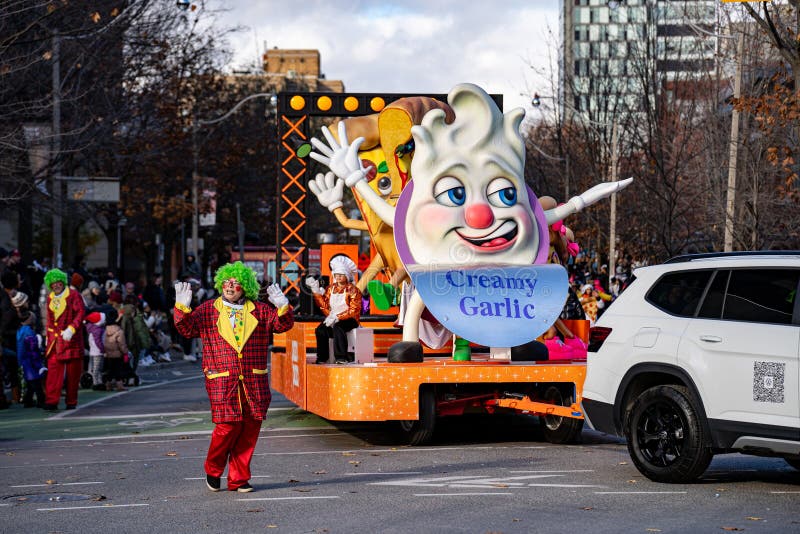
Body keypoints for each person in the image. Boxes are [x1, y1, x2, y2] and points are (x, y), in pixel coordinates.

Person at [173, 261, 294, 493]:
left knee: (249, 429)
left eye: (236, 283)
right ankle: (213, 467)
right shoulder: (209, 309)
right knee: (226, 427)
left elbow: (282, 325)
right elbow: (186, 330)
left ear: (245, 286)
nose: (230, 286)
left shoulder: (259, 310)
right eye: (227, 282)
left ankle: (238, 479)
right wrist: (181, 308)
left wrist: (283, 307)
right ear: (221, 284)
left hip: (253, 381)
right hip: (222, 380)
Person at [42, 268, 86, 411]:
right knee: (53, 372)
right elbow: (49, 319)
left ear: (63, 281)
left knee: (73, 373)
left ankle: (71, 401)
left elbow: (80, 313)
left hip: (71, 340)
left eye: (58, 282)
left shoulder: (73, 295)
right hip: (55, 341)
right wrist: (47, 337)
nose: (56, 285)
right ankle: (51, 401)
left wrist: (71, 329)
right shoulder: (50, 298)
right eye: (53, 283)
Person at [306, 255, 362, 364]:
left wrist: (339, 317)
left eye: (341, 274)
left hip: (350, 319)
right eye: (336, 274)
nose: (338, 277)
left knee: (338, 327)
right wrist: (316, 292)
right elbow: (325, 307)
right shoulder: (330, 289)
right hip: (333, 318)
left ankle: (341, 357)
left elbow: (354, 310)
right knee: (320, 330)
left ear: (347, 276)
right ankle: (322, 358)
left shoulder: (353, 290)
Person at [15, 301, 46, 408]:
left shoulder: (20, 331)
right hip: (30, 360)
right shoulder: (29, 332)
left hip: (23, 360)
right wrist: (38, 362)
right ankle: (41, 400)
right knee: (35, 381)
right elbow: (32, 349)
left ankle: (28, 400)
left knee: (30, 382)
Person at [1, 269, 21, 404]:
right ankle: (15, 396)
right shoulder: (7, 302)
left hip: (7, 338)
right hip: (8, 340)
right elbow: (4, 325)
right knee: (13, 368)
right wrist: (18, 331)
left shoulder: (6, 297)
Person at [102, 307, 129, 391]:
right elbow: (122, 344)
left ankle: (108, 384)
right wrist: (125, 352)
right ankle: (119, 385)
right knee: (118, 370)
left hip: (107, 354)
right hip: (117, 354)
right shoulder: (119, 331)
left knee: (110, 370)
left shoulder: (104, 330)